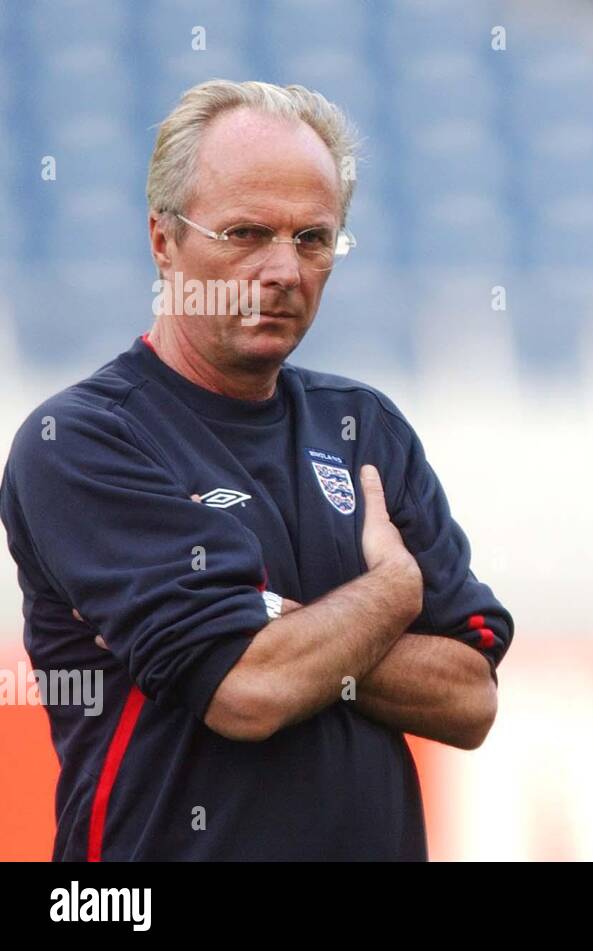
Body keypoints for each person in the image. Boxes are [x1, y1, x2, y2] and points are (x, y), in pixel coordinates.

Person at [0, 80, 512, 860]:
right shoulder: (83, 439)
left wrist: (279, 621)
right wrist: (387, 596)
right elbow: (247, 690)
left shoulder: (365, 429)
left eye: (313, 239)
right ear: (163, 240)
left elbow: (471, 697)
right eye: (246, 233)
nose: (284, 269)